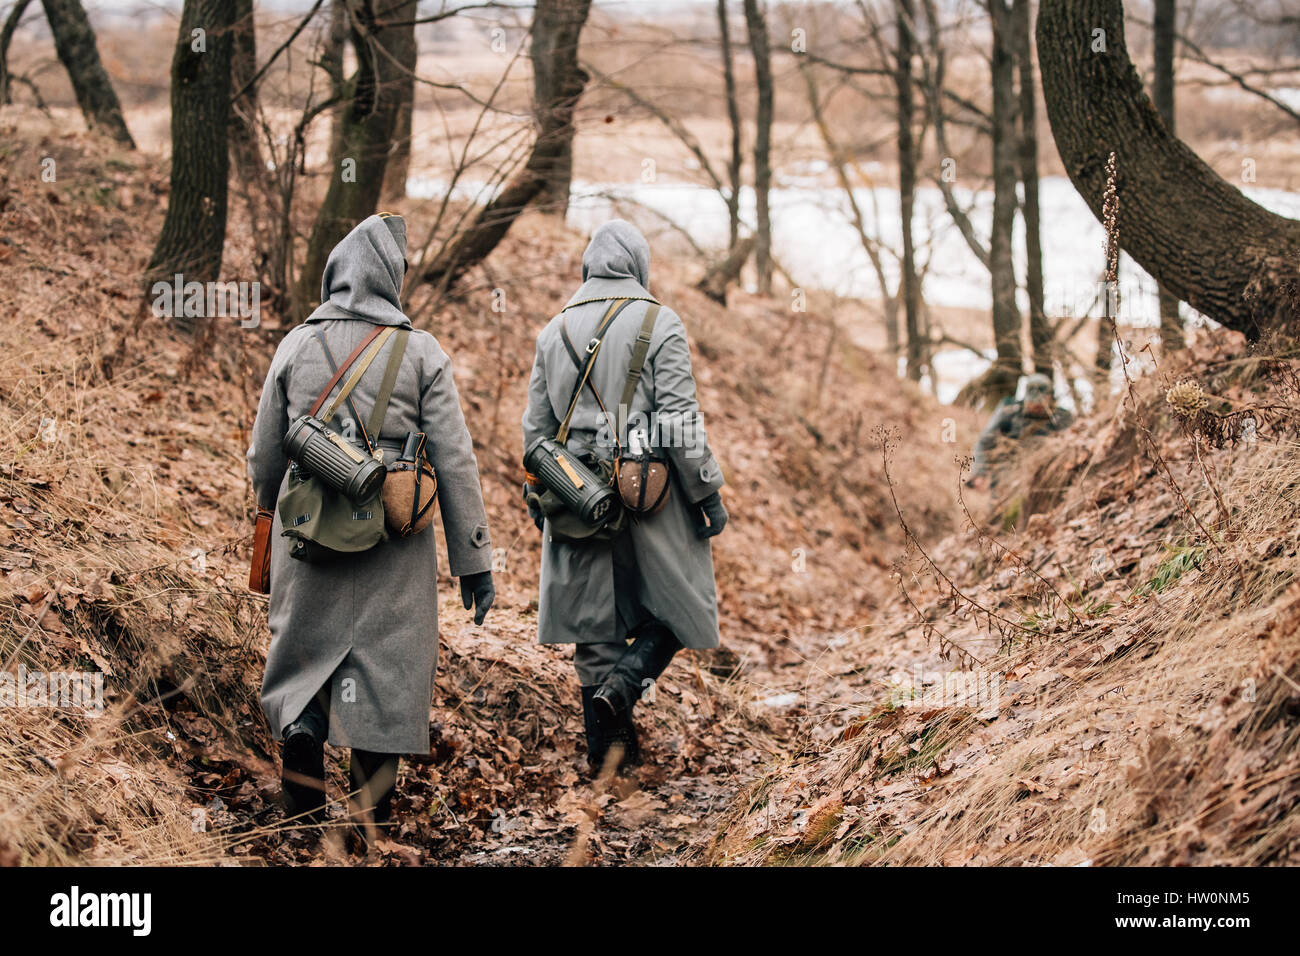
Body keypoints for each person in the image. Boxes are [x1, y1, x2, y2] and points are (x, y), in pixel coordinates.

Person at [248, 213, 495, 849]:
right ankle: (364, 836)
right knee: (384, 676)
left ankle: (303, 781)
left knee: (303, 659)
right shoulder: (421, 352)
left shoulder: (295, 346)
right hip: (395, 538)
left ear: (337, 272)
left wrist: (270, 517)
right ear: (391, 278)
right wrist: (475, 562)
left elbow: (265, 456)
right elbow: (455, 460)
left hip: (306, 532)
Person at [522, 220, 728, 774]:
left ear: (588, 268)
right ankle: (626, 686)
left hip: (576, 492)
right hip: (647, 494)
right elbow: (680, 421)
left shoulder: (553, 330)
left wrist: (539, 490)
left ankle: (609, 764)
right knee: (681, 607)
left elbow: (535, 432)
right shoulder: (659, 321)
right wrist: (706, 490)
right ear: (639, 266)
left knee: (595, 626)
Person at [969, 373, 1074, 486]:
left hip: (1045, 473)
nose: (1035, 405)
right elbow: (985, 441)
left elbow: (1070, 445)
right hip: (1010, 472)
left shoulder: (1062, 417)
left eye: (1040, 402)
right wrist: (979, 473)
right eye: (1032, 401)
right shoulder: (1011, 411)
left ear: (1050, 397)